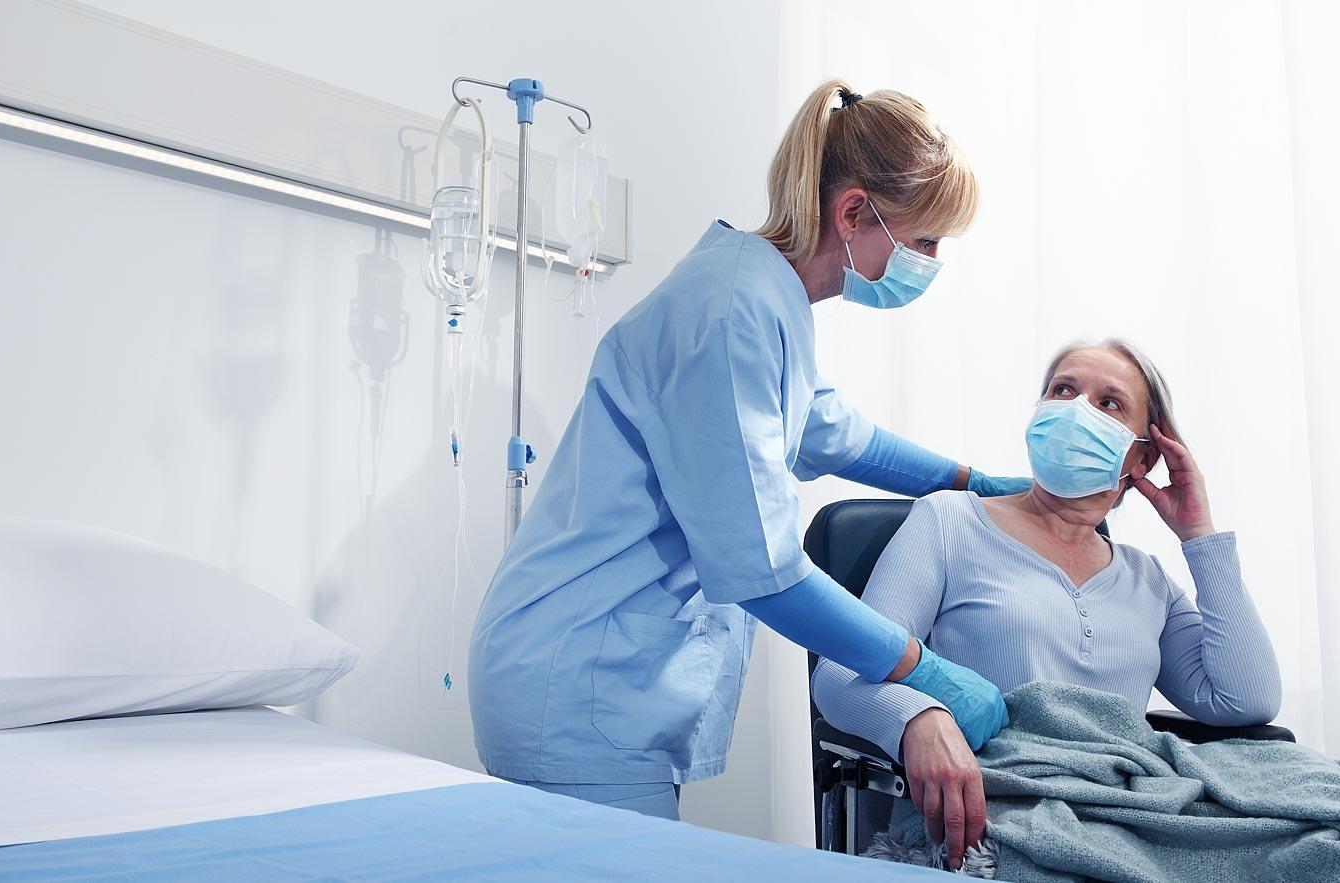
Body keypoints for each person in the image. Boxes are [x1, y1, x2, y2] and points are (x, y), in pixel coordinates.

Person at [469, 80, 1027, 822]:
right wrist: (922, 670)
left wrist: (970, 481)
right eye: (924, 241)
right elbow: (767, 574)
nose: (930, 262)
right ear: (854, 212)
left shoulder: (769, 301)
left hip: (601, 667)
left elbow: (836, 432)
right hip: (574, 677)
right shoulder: (732, 313)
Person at [812, 339, 1282, 869]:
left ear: (1145, 455)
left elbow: (1248, 699)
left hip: (1126, 820)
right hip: (995, 818)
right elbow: (838, 675)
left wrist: (1197, 534)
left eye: (1109, 403)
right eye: (1063, 390)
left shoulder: (1146, 579)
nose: (1077, 411)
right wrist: (918, 717)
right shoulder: (947, 522)